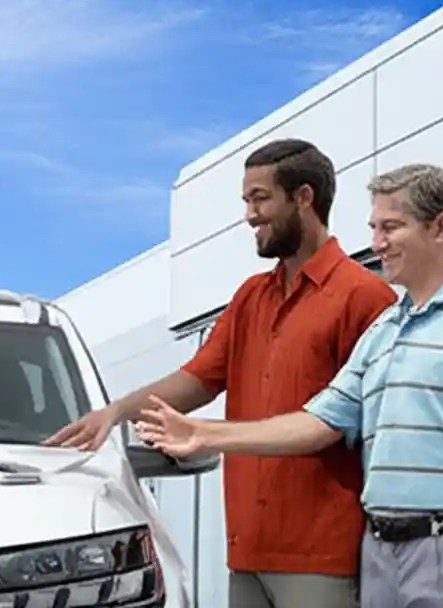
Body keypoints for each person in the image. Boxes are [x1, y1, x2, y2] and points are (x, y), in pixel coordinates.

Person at [136, 163, 443, 608]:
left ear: (440, 226)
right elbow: (318, 422)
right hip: (378, 553)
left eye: (391, 227)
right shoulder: (384, 329)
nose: (376, 244)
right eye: (374, 228)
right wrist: (205, 434)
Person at [44, 138, 397, 608]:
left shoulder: (366, 297)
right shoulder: (251, 296)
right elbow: (197, 380)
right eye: (246, 201)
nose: (250, 215)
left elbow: (371, 426)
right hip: (247, 548)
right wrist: (115, 412)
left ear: (304, 197)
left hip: (324, 552)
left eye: (260, 198)